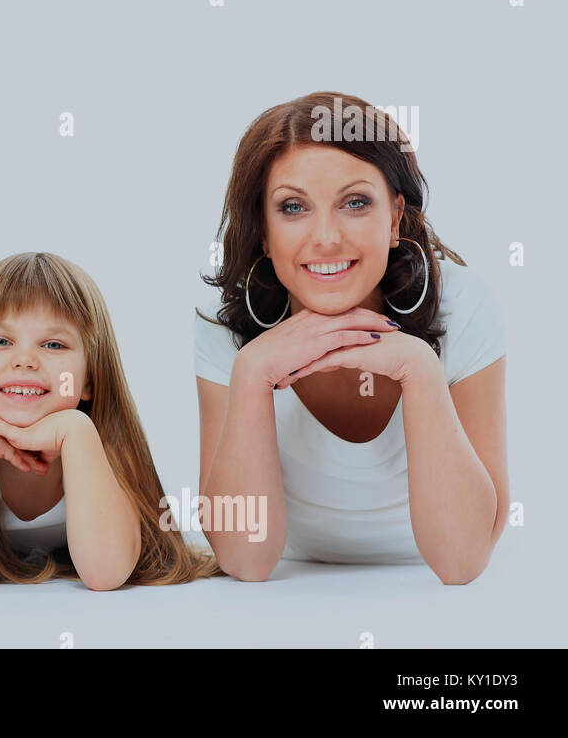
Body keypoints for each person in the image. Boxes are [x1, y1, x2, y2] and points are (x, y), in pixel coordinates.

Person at [193, 92, 507, 584]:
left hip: (419, 595)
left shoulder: (463, 307)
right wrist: (252, 373)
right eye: (293, 207)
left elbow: (463, 560)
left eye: (355, 202)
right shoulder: (224, 325)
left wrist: (419, 369)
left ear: (395, 219)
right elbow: (245, 560)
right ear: (264, 232)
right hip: (292, 593)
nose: (326, 237)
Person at [0, 251, 219, 592]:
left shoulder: (107, 448)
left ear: (89, 379)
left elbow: (106, 573)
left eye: (53, 344)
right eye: (0, 341)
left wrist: (75, 431)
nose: (24, 360)